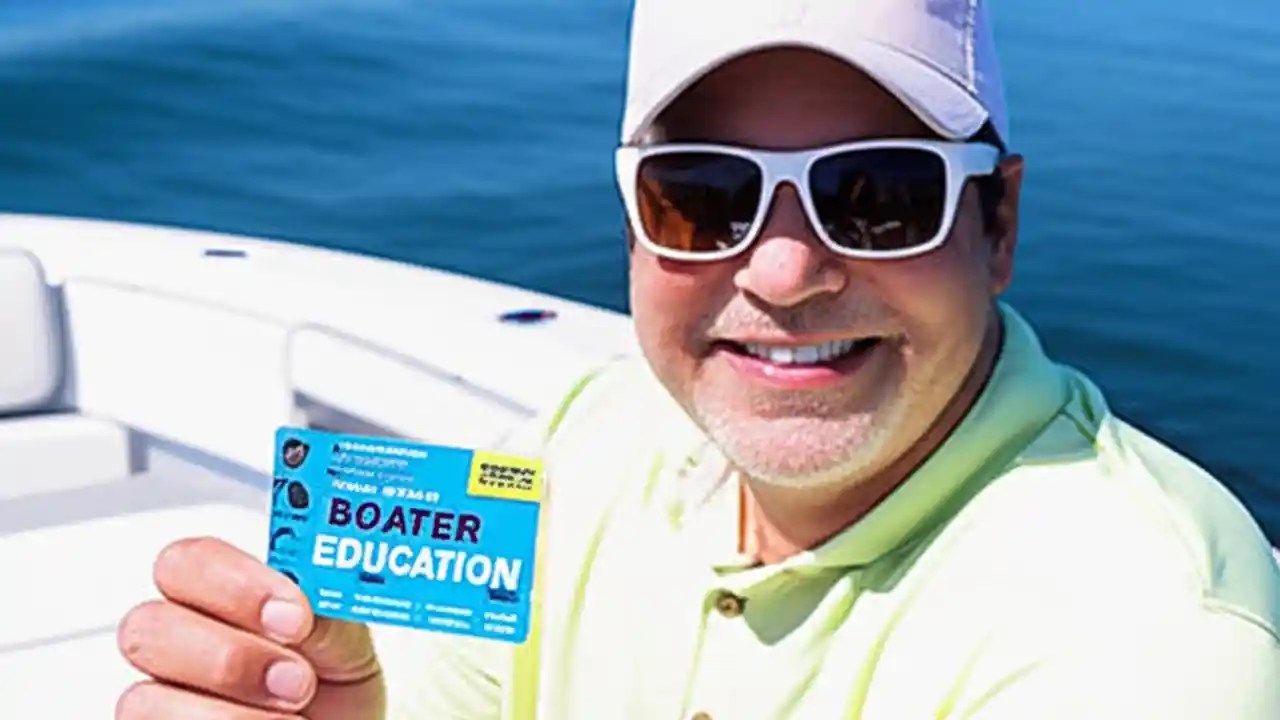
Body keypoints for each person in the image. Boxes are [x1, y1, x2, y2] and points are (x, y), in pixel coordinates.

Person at [114, 0, 1280, 718]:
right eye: (701, 199)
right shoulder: (581, 444)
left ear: (999, 226)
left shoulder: (1148, 642)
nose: (781, 273)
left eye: (878, 197)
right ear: (630, 221)